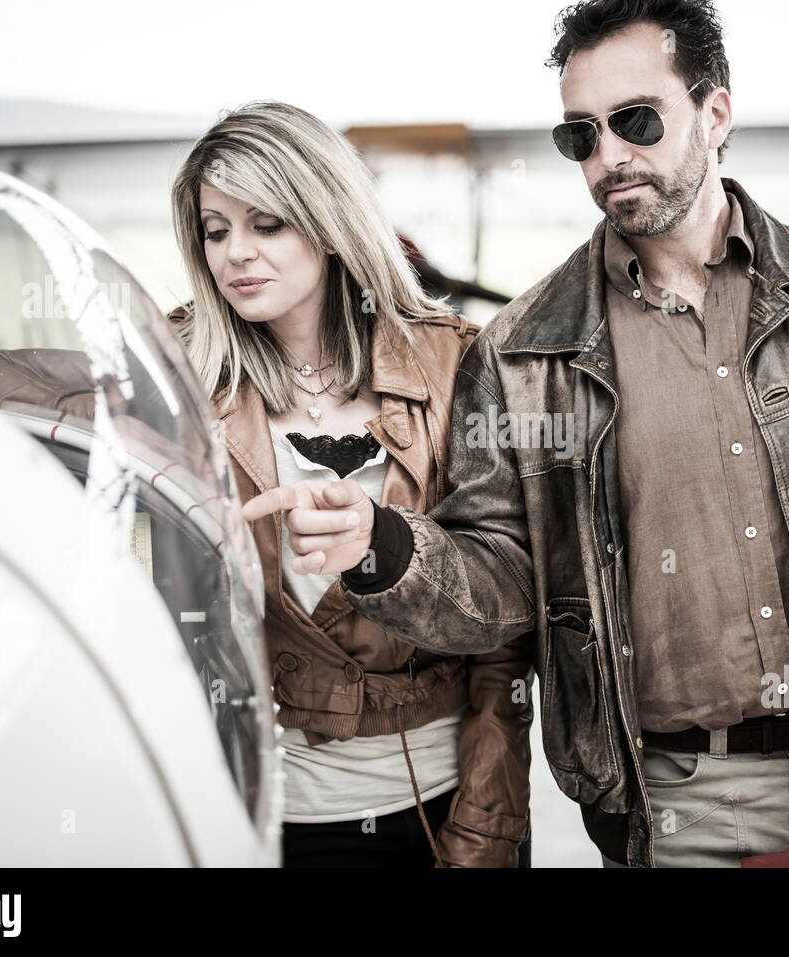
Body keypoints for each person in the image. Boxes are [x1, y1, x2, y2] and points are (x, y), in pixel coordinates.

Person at [243, 0, 789, 868]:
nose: (609, 156)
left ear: (716, 113)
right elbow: (502, 576)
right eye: (580, 135)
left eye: (636, 121)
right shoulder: (520, 352)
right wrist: (379, 542)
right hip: (674, 808)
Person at [169, 101, 533, 867]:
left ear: (329, 223)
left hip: (430, 805)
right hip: (253, 815)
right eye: (216, 229)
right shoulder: (176, 375)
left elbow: (507, 624)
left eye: (266, 223)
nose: (236, 253)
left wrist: (487, 825)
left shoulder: (456, 365)